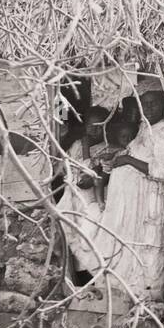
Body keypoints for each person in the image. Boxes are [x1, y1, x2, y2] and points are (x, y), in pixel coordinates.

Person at [93, 91, 164, 307]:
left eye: (153, 104)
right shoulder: (143, 128)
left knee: (148, 246)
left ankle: (149, 301)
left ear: (163, 106)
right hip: (131, 200)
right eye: (145, 104)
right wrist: (115, 159)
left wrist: (128, 159)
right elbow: (133, 156)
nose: (148, 108)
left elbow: (159, 172)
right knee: (130, 247)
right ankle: (131, 299)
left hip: (148, 199)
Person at [55, 105, 110, 283]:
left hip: (93, 200)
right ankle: (78, 279)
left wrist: (86, 148)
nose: (94, 130)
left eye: (99, 126)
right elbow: (67, 168)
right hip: (73, 197)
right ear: (84, 126)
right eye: (90, 126)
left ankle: (95, 277)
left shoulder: (108, 149)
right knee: (70, 234)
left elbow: (89, 177)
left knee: (89, 238)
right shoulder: (77, 145)